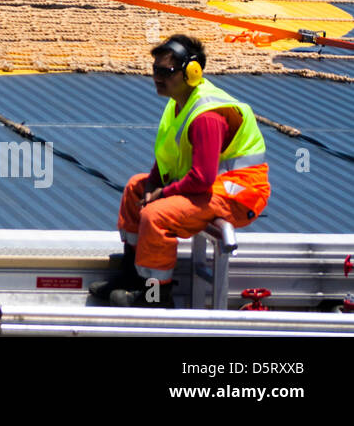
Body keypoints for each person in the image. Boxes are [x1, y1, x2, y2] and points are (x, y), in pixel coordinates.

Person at [90, 34, 270, 307]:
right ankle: (131, 277)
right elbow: (169, 159)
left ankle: (155, 296)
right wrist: (152, 184)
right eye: (155, 70)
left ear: (191, 73)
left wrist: (163, 193)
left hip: (237, 193)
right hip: (211, 184)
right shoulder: (179, 104)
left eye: (166, 71)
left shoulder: (207, 116)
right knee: (134, 189)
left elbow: (202, 178)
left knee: (156, 215)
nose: (157, 77)